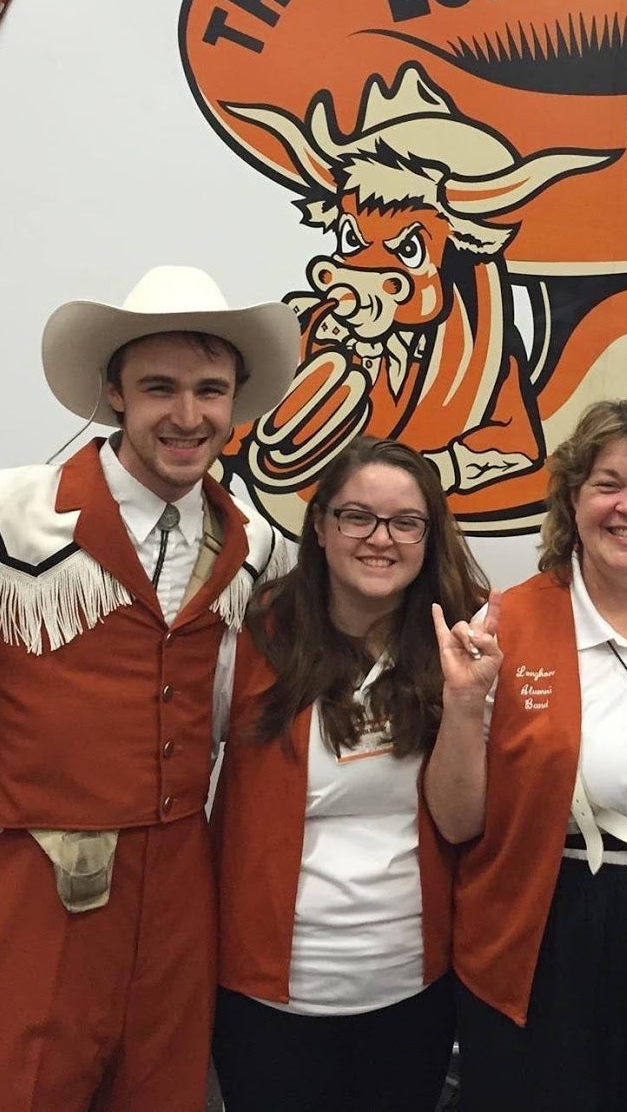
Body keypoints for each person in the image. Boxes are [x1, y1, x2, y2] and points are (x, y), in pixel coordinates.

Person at [0, 265, 300, 1112]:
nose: (187, 414)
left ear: (235, 406)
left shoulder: (256, 547)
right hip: (27, 887)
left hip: (178, 896)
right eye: (159, 387)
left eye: (211, 390)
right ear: (113, 394)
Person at [428, 399, 627, 1110]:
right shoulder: (507, 621)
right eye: (607, 484)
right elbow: (455, 823)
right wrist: (461, 706)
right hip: (552, 924)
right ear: (572, 500)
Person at [209, 435, 494, 1112]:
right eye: (357, 516)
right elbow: (150, 734)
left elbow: (461, 822)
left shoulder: (463, 636)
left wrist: (463, 703)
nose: (380, 539)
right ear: (320, 524)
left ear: (429, 535)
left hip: (412, 985)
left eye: (405, 522)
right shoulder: (254, 632)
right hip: (266, 992)